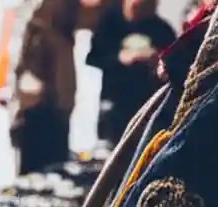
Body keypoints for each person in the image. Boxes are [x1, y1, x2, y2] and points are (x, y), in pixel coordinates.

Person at [88, 0, 177, 142]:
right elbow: (93, 58)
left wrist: (156, 57)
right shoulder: (109, 25)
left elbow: (174, 65)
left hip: (148, 105)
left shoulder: (161, 29)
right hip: (115, 102)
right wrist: (119, 58)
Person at [11, 0, 81, 173]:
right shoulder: (42, 32)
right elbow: (27, 76)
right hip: (40, 116)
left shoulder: (61, 34)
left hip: (56, 114)